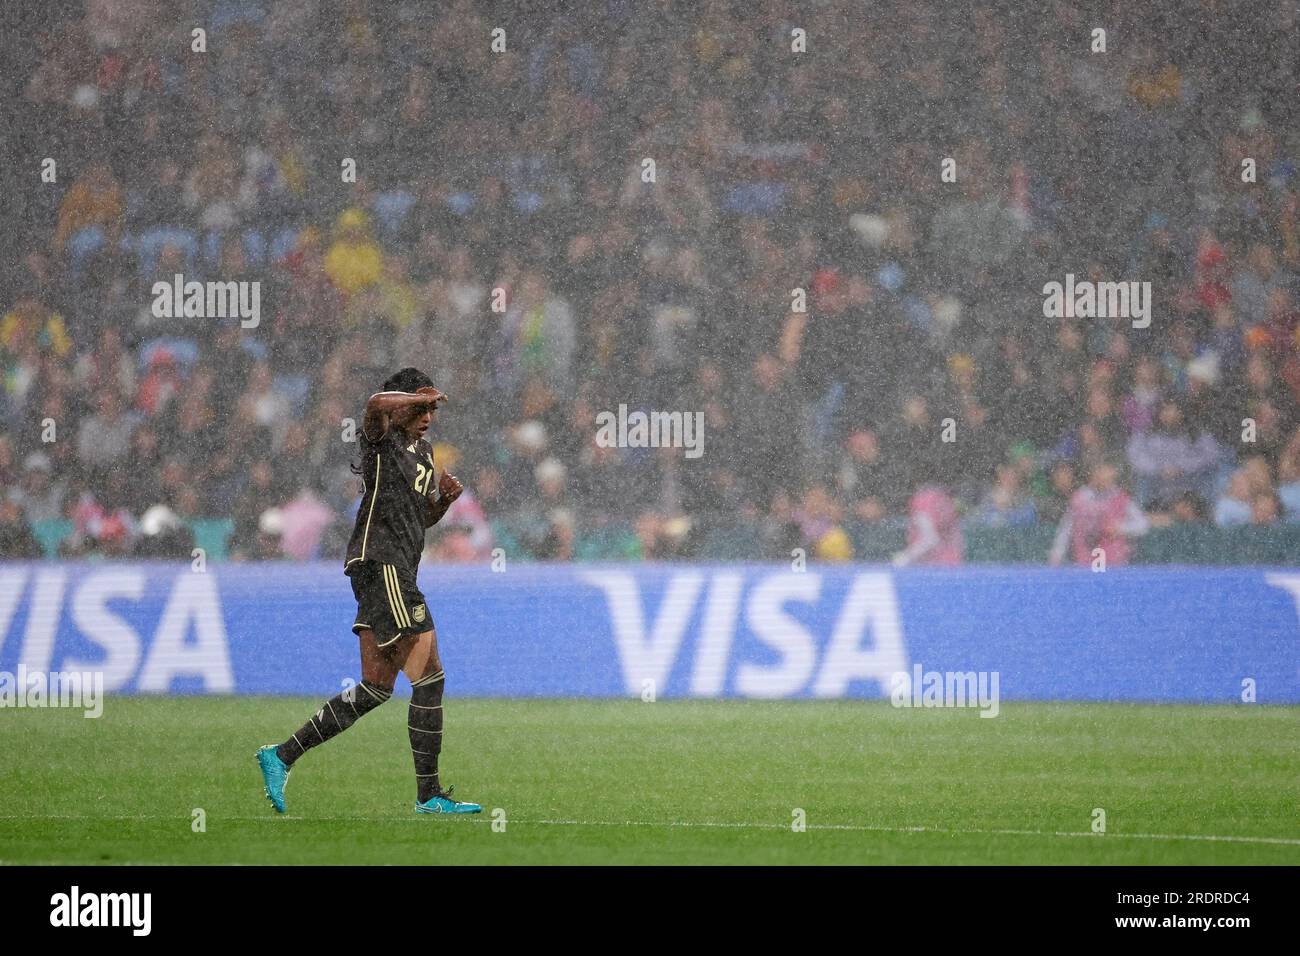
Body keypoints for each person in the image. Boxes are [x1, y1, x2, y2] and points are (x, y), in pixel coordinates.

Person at [256, 367, 481, 815]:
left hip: (396, 568)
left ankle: (280, 756)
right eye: (420, 407)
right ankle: (429, 795)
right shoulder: (382, 437)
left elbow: (419, 519)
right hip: (384, 565)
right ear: (403, 403)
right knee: (430, 678)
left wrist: (443, 503)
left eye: (432, 409)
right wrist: (411, 399)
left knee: (376, 688)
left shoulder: (422, 452)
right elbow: (376, 403)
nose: (428, 417)